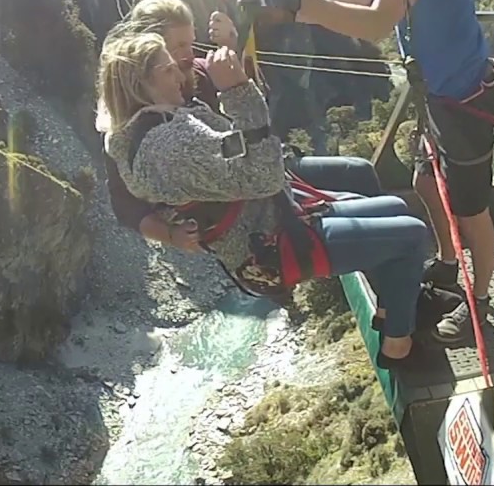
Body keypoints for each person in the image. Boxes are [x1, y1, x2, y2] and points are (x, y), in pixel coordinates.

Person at [234, 0, 494, 347]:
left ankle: (480, 304)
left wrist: (296, 1)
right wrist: (282, 9)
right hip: (436, 92)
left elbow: (377, 22)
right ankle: (449, 268)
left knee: (471, 210)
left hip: (464, 95)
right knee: (429, 185)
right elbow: (354, 0)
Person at [97, 31, 433, 368]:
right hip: (272, 245)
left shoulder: (158, 128)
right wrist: (238, 91)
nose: (178, 75)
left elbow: (229, 153)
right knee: (412, 234)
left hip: (270, 225)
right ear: (142, 83)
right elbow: (262, 176)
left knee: (396, 208)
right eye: (168, 69)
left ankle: (389, 315)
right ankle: (398, 348)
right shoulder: (168, 145)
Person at [104, 0, 385, 254]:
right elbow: (126, 205)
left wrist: (230, 49)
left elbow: (249, 102)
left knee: (359, 172)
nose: (188, 55)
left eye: (191, 42)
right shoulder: (137, 125)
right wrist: (170, 234)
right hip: (247, 205)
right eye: (177, 47)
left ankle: (382, 273)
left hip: (261, 165)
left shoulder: (201, 72)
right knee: (363, 202)